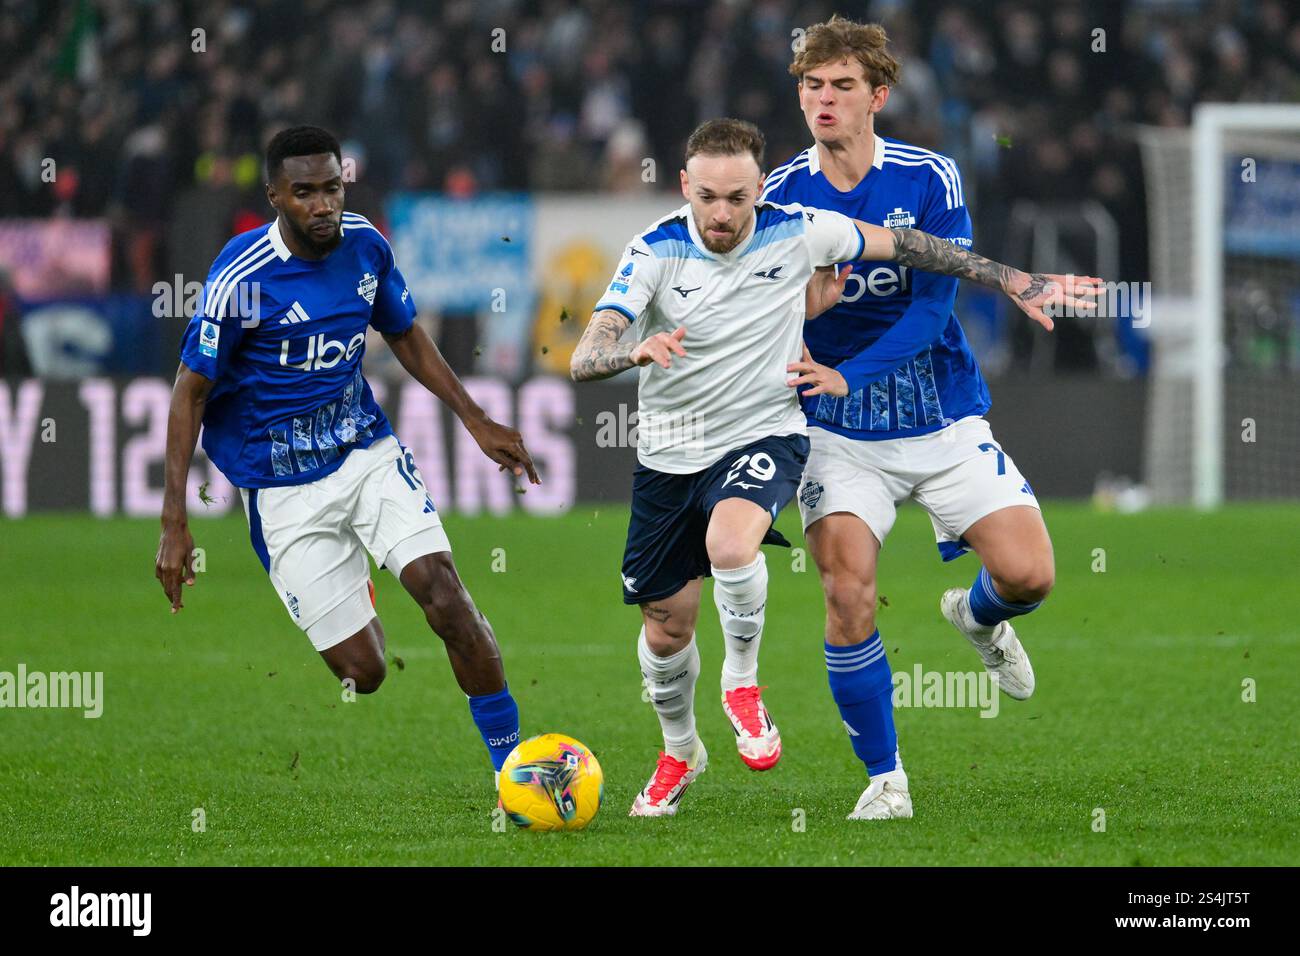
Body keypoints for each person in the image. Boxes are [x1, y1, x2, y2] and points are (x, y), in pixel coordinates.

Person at [569, 117, 1097, 817]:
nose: (722, 213)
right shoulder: (654, 250)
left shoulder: (801, 224)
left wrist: (1007, 277)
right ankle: (684, 750)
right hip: (673, 453)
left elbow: (914, 248)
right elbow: (584, 355)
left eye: (736, 197)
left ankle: (746, 685)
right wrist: (631, 352)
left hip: (777, 433)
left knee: (1023, 573)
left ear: (758, 189)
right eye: (708, 198)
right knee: (667, 629)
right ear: (684, 189)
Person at [154, 126, 538, 785]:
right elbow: (190, 392)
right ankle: (356, 581)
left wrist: (474, 418)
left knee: (443, 594)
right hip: (280, 490)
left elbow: (405, 333)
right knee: (365, 674)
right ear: (275, 195)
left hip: (364, 452)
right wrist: (174, 522)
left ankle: (515, 771)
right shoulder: (241, 277)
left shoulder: (366, 245)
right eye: (304, 192)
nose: (323, 204)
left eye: (332, 187)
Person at [762, 16, 1069, 819]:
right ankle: (886, 779)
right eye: (811, 86)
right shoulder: (779, 194)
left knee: (1030, 575)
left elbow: (933, 311)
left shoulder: (931, 176)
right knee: (846, 593)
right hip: (834, 432)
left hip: (939, 414)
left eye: (842, 87)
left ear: (879, 96)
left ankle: (976, 615)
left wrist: (846, 370)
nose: (823, 100)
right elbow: (759, 314)